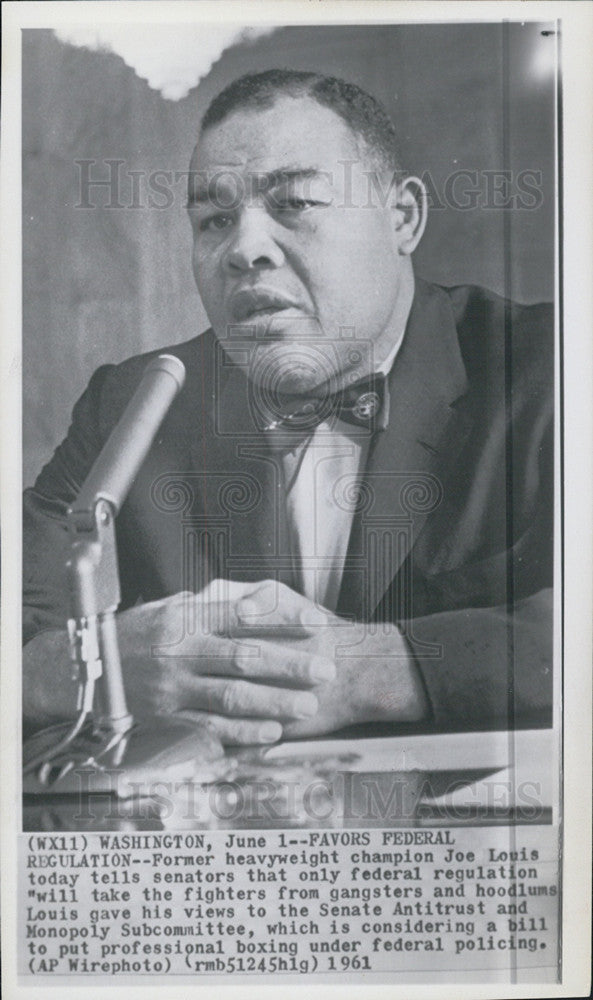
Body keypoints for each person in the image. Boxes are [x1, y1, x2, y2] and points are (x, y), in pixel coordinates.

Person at [22, 70, 554, 747]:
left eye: (295, 202)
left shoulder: (554, 367)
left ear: (403, 218)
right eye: (213, 220)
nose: (244, 250)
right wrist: (86, 674)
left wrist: (374, 668)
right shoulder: (134, 404)